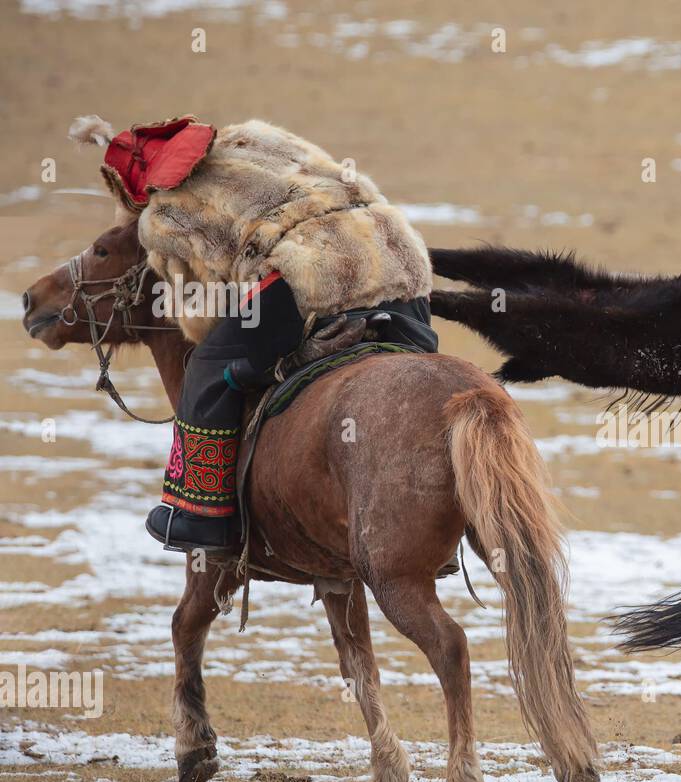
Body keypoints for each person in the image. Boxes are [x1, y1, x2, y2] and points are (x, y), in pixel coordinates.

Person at [71, 114, 436, 555]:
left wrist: (240, 346)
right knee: (415, 365)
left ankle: (199, 516)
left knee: (209, 367)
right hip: (399, 261)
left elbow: (200, 307)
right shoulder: (258, 137)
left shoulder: (162, 215)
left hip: (312, 271)